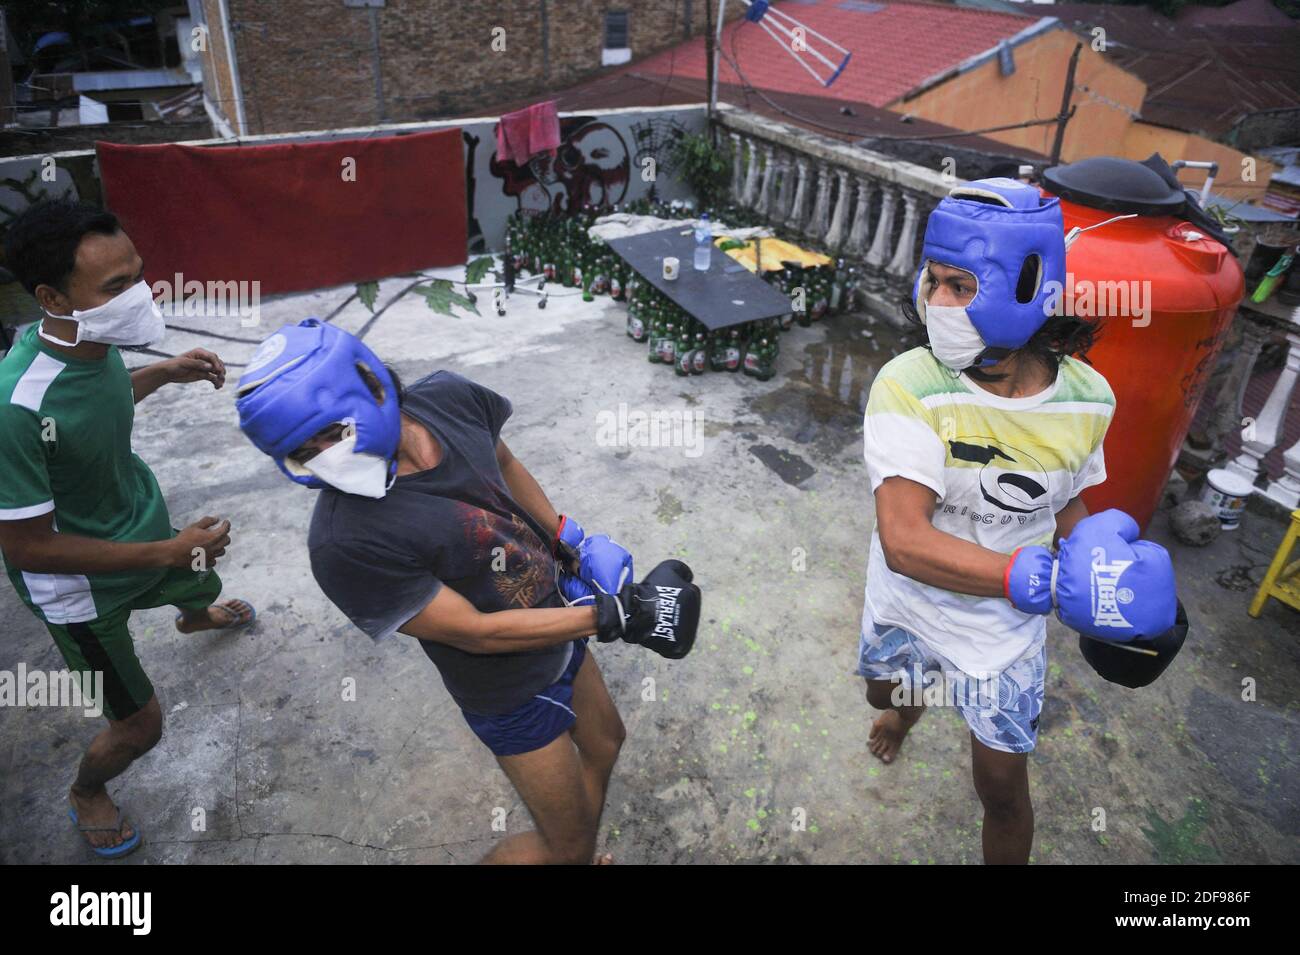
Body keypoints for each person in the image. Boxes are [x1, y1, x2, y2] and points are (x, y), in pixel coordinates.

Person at [235, 318, 699, 864]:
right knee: (563, 848)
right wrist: (614, 614)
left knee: (606, 745)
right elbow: (477, 634)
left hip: (559, 627)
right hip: (508, 692)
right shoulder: (344, 543)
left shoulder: (451, 399)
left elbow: (502, 461)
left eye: (332, 433)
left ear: (374, 386)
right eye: (304, 454)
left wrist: (563, 539)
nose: (325, 458)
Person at [857, 178, 1176, 864]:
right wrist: (1025, 577)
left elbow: (1064, 500)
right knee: (886, 693)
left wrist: (1100, 566)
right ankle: (906, 709)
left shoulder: (1089, 398)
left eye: (960, 286)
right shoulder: (909, 384)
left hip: (1003, 630)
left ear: (1026, 286)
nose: (935, 302)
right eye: (933, 280)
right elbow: (905, 539)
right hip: (910, 601)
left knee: (1002, 788)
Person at [0, 199, 253, 859]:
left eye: (138, 273)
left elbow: (93, 410)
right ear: (53, 296)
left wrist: (163, 373)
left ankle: (195, 613)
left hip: (140, 524)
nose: (139, 294)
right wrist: (171, 547)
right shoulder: (16, 408)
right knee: (141, 725)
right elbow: (28, 547)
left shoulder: (93, 340)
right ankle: (87, 791)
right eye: (116, 286)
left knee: (201, 569)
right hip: (82, 591)